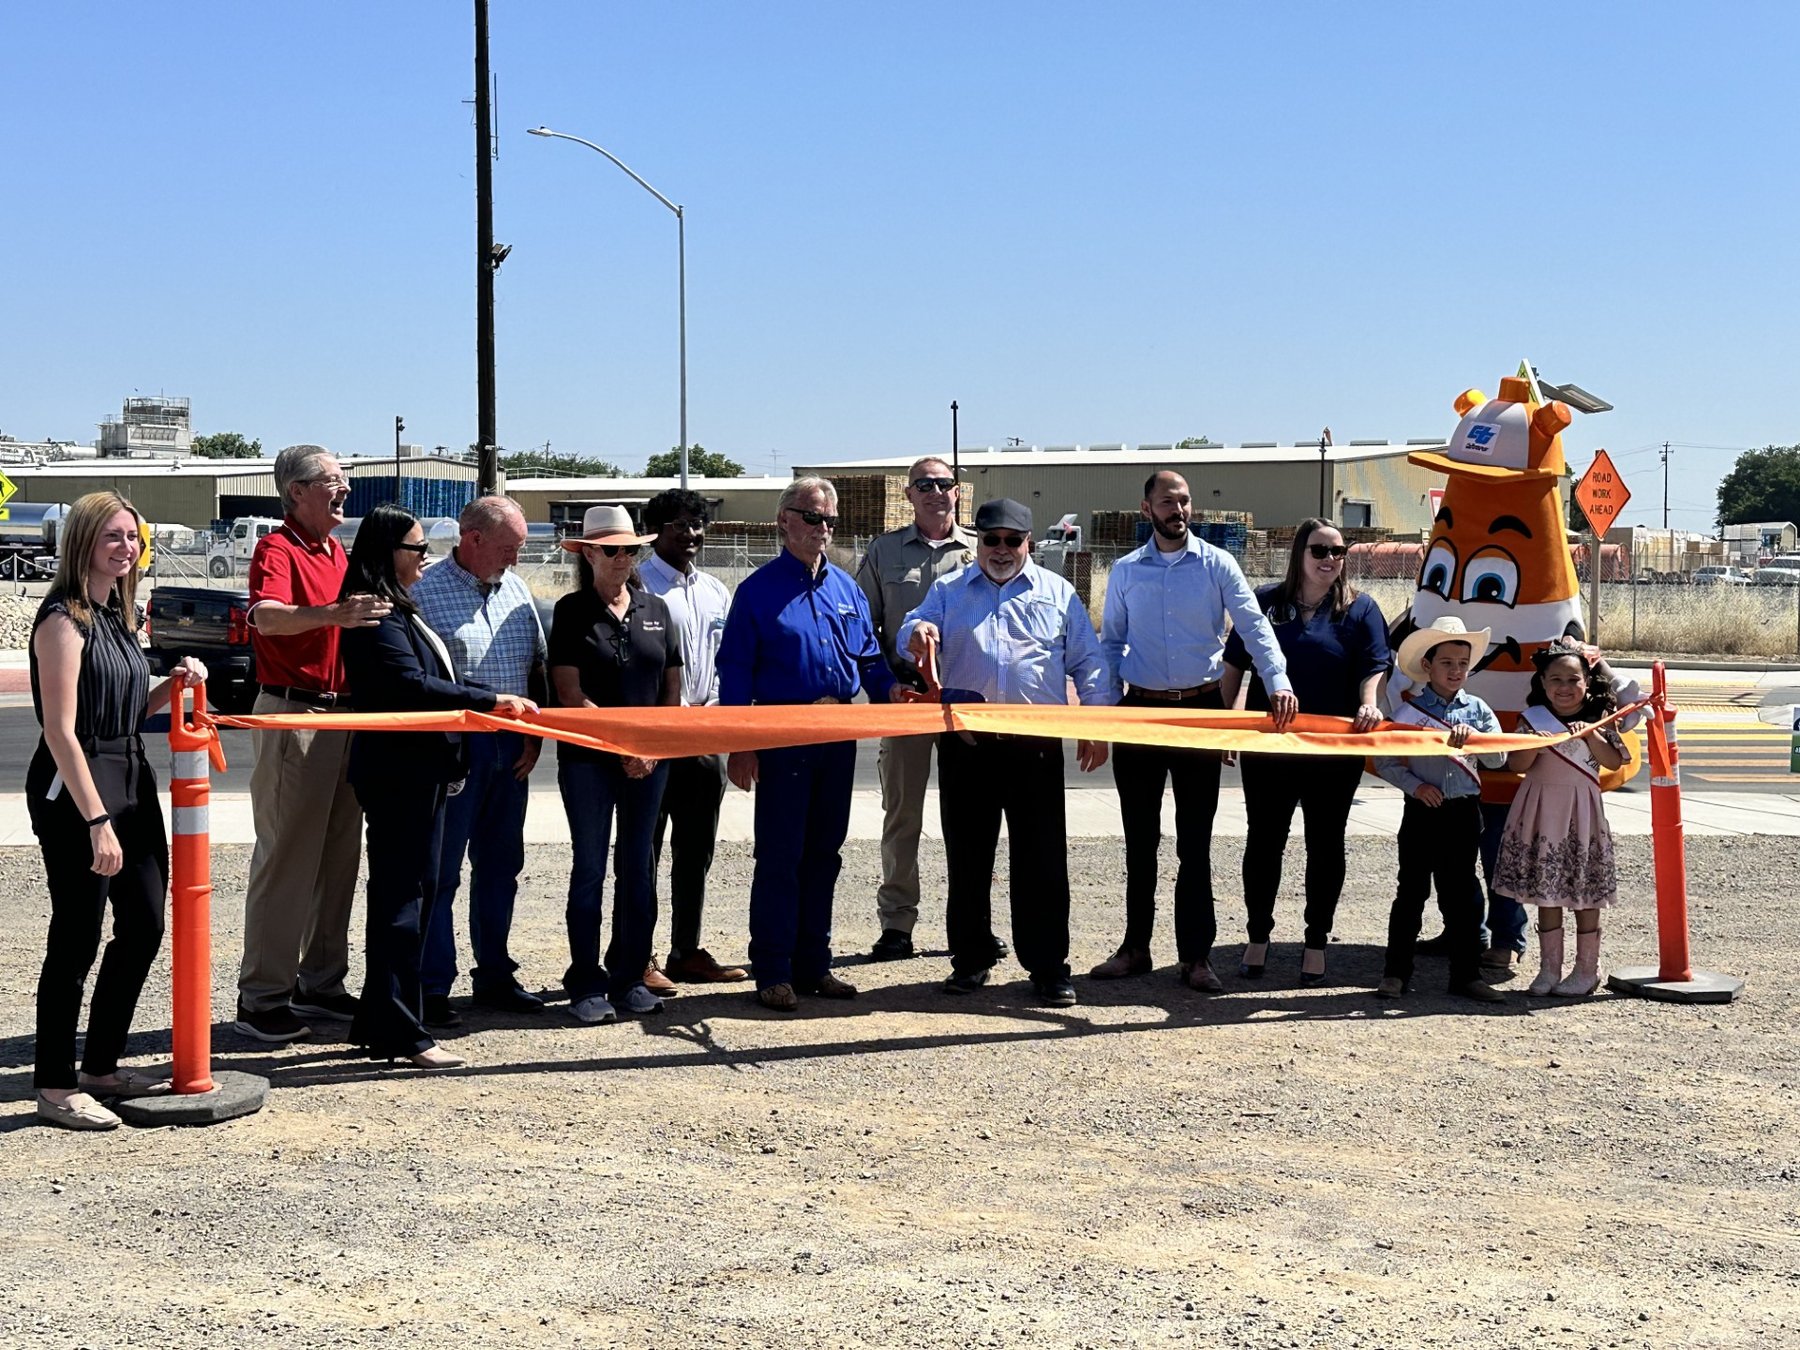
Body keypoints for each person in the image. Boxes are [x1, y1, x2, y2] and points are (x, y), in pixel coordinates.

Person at [28, 493, 207, 1129]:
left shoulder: (118, 617)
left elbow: (125, 711)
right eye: (112, 536)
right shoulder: (62, 620)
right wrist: (96, 822)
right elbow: (61, 731)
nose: (126, 548)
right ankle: (54, 1085)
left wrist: (173, 685)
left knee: (145, 922)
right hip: (78, 788)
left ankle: (99, 1066)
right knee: (76, 935)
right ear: (82, 541)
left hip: (130, 774)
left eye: (132, 536)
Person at [340, 504, 536, 1069]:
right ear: (389, 552)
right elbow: (409, 684)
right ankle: (403, 1028)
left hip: (420, 772)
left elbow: (435, 678)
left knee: (411, 895)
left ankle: (382, 1019)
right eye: (417, 548)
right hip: (399, 774)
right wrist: (489, 699)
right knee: (403, 900)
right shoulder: (377, 614)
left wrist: (486, 698)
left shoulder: (398, 607)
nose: (426, 557)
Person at [898, 499, 1113, 1007]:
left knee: (1042, 860)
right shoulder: (949, 590)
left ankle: (1048, 967)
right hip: (967, 746)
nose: (1000, 549)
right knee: (968, 857)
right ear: (978, 542)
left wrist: (1096, 725)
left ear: (1028, 543)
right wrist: (918, 632)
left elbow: (1089, 662)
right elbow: (910, 628)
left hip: (1035, 748)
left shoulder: (1058, 593)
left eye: (1012, 540)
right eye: (990, 539)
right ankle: (970, 959)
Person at [1097, 470, 1297, 993]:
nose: (1179, 510)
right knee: (1139, 840)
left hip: (1201, 713)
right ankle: (1135, 948)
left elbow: (1254, 626)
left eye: (1184, 501)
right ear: (1147, 509)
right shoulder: (1125, 571)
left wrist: (1277, 680)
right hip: (1139, 714)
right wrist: (1103, 710)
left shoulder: (1218, 564)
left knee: (1195, 842)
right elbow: (1111, 642)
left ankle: (1195, 957)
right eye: (1168, 502)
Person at [717, 477, 904, 1012]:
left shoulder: (846, 588)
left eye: (830, 520)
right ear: (785, 521)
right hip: (783, 737)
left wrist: (893, 692)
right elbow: (736, 671)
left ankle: (814, 964)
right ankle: (773, 969)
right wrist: (740, 744)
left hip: (836, 736)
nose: (823, 529)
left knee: (825, 852)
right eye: (813, 517)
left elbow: (870, 660)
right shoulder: (757, 591)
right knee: (781, 854)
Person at [235, 445, 391, 1044]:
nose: (344, 489)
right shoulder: (278, 549)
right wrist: (332, 614)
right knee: (287, 859)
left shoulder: (335, 551)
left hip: (345, 717)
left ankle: (320, 982)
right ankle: (262, 997)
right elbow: (267, 617)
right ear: (296, 491)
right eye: (332, 480)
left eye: (344, 479)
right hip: (295, 713)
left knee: (337, 857)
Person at [1221, 518, 1390, 985]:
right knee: (1264, 841)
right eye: (1319, 550)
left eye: (1338, 551)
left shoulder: (1361, 609)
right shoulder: (1264, 603)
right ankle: (1258, 937)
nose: (1330, 559)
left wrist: (1369, 703)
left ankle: (1316, 942)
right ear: (1299, 553)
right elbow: (1234, 665)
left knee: (1326, 843)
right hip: (1270, 749)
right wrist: (1227, 727)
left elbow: (1375, 665)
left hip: (1333, 752)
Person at [413, 496, 549, 1026]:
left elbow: (536, 663)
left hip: (511, 750)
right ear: (472, 539)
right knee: (442, 872)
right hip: (454, 750)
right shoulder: (423, 593)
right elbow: (418, 681)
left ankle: (494, 974)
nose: (516, 558)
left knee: (500, 867)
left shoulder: (516, 590)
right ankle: (432, 985)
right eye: (509, 548)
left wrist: (534, 737)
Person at [550, 506, 684, 1025]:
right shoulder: (570, 611)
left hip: (649, 760)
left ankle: (629, 975)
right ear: (588, 553)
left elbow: (671, 688)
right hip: (589, 759)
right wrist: (621, 745)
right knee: (590, 866)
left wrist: (650, 746)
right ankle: (585, 981)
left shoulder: (657, 609)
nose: (623, 557)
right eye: (612, 549)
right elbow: (569, 692)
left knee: (638, 866)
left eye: (631, 548)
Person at [854, 456, 980, 962]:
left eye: (943, 483)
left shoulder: (979, 550)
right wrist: (883, 684)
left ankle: (970, 924)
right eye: (923, 485)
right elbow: (862, 628)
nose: (934, 492)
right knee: (903, 816)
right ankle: (897, 924)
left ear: (957, 491)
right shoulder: (884, 551)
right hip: (906, 700)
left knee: (969, 819)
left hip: (965, 703)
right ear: (908, 495)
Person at [638, 488, 747, 986]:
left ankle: (686, 950)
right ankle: (639, 956)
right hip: (655, 740)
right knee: (645, 851)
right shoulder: (639, 584)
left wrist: (718, 707)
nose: (692, 534)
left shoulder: (715, 591)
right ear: (655, 531)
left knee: (696, 849)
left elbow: (728, 658)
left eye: (698, 524)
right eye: (680, 525)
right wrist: (672, 712)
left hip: (704, 738)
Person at [1372, 618, 1508, 1003]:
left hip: (1463, 812)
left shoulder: (1478, 710)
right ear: (1427, 666)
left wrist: (1476, 741)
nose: (1455, 670)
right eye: (1446, 662)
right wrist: (1416, 787)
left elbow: (1499, 759)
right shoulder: (1406, 713)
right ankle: (1396, 974)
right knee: (1411, 893)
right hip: (1422, 811)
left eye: (1463, 663)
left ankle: (1466, 976)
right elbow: (1385, 761)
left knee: (1462, 895)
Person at [1493, 641, 1627, 997]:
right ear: (1543, 682)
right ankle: (1549, 969)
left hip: (1581, 811)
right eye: (1556, 680)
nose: (1564, 687)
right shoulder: (1533, 718)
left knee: (1585, 892)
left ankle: (1587, 969)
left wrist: (1591, 734)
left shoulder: (1601, 716)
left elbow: (1614, 762)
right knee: (1547, 892)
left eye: (1573, 680)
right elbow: (1517, 764)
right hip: (1541, 809)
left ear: (1587, 681)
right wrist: (1534, 745)